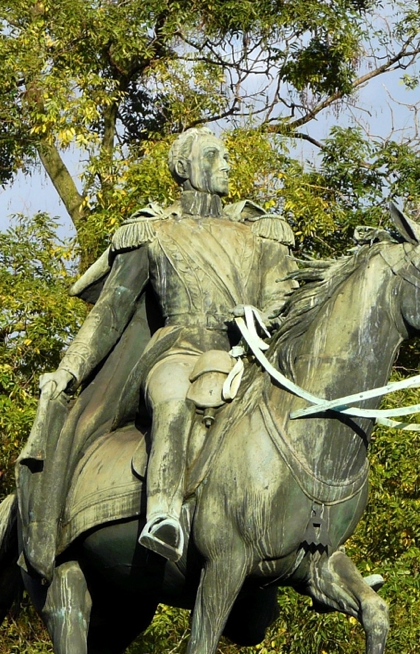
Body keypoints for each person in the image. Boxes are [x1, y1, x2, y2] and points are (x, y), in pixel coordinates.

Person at [34, 127, 296, 563]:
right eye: (214, 156)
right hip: (177, 350)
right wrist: (69, 370)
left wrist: (263, 317)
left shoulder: (259, 232)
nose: (227, 164)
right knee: (174, 399)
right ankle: (163, 515)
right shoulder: (151, 232)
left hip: (241, 355)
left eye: (226, 156)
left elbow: (284, 293)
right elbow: (109, 314)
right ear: (184, 168)